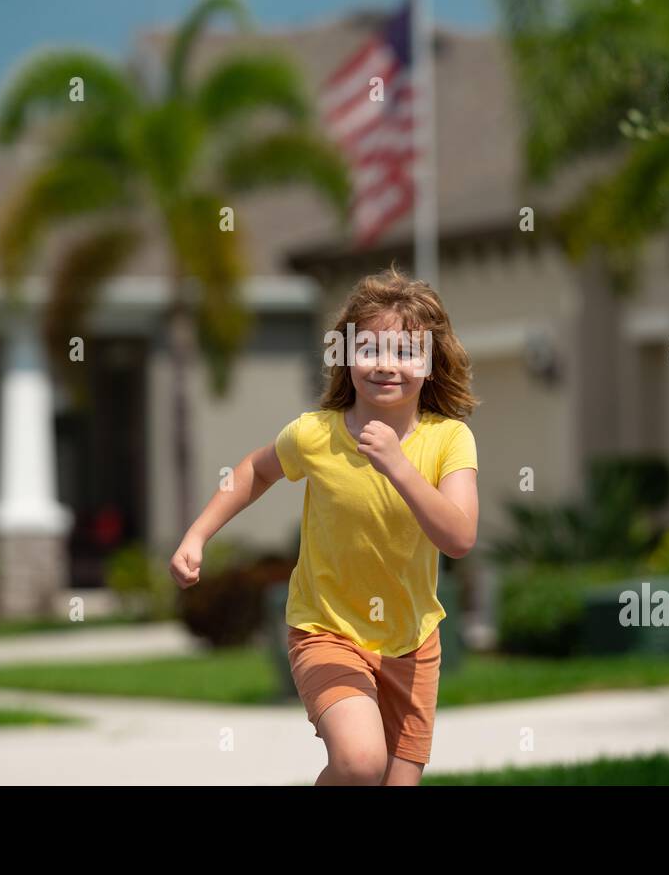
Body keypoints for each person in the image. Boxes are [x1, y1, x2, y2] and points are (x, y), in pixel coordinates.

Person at [169, 266, 479, 785]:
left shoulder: (449, 440)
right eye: (370, 349)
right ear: (344, 356)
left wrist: (398, 467)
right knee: (360, 764)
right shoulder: (316, 434)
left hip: (413, 642)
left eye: (406, 353)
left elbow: (460, 537)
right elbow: (254, 470)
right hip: (326, 629)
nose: (387, 365)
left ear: (431, 364)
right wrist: (197, 535)